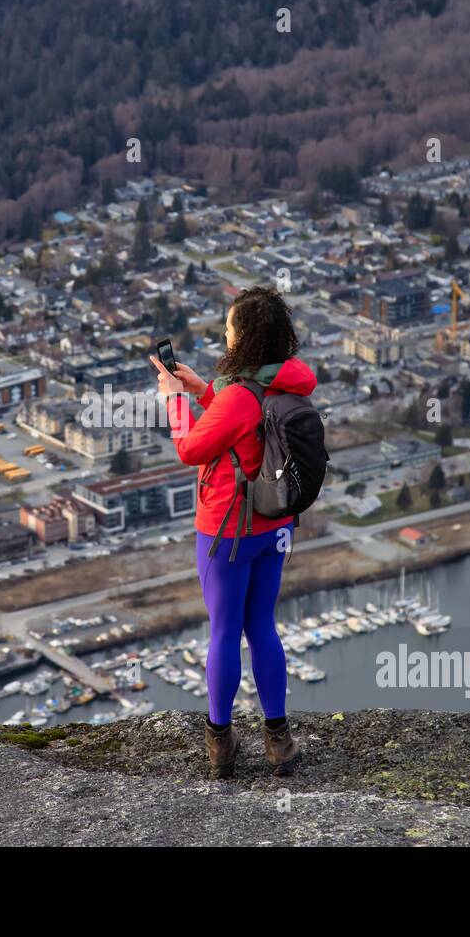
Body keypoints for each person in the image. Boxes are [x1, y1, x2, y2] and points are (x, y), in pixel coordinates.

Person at [149, 285, 315, 778]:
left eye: (228, 328)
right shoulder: (285, 383)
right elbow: (241, 425)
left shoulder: (240, 396)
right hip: (276, 524)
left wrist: (177, 402)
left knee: (224, 631)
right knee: (262, 626)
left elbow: (192, 449)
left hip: (228, 530)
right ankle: (278, 741)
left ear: (242, 338)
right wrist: (203, 389)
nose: (224, 334)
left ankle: (220, 743)